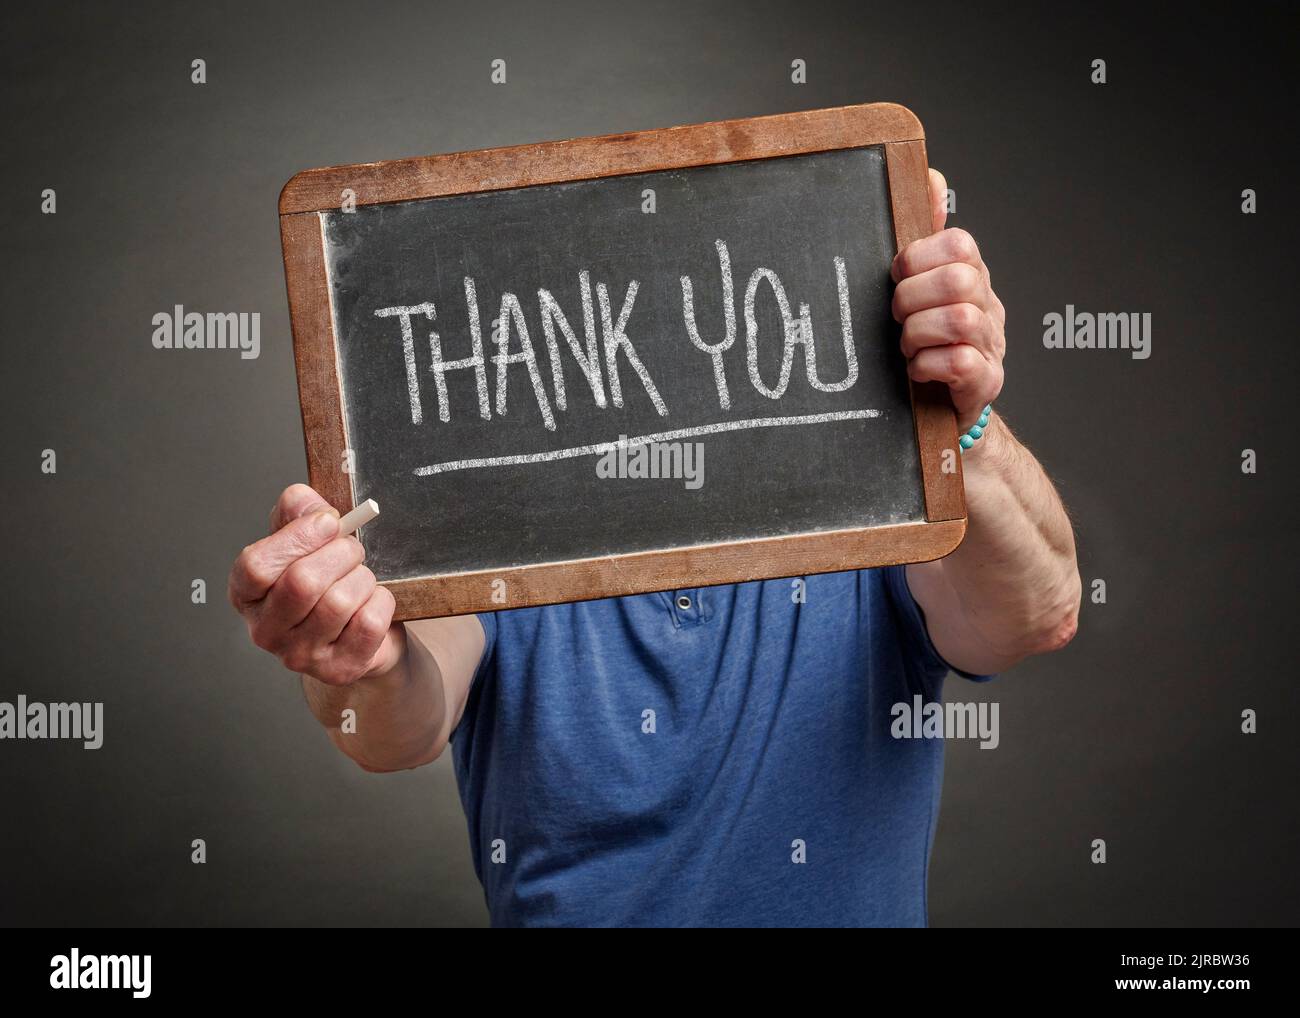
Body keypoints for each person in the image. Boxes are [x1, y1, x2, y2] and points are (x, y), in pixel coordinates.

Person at [229, 169, 1080, 927]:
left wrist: (961, 425)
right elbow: (398, 729)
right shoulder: (493, 518)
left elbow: (1038, 611)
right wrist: (364, 662)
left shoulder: (867, 486)